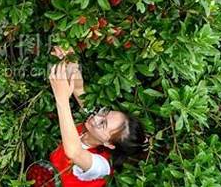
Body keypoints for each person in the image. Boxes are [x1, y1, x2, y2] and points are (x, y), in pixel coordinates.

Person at [45, 47, 147, 186]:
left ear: (109, 144)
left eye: (102, 124)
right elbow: (78, 89)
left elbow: (74, 152)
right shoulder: (94, 119)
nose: (96, 117)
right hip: (47, 172)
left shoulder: (101, 166)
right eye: (105, 112)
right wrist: (69, 61)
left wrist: (62, 99)